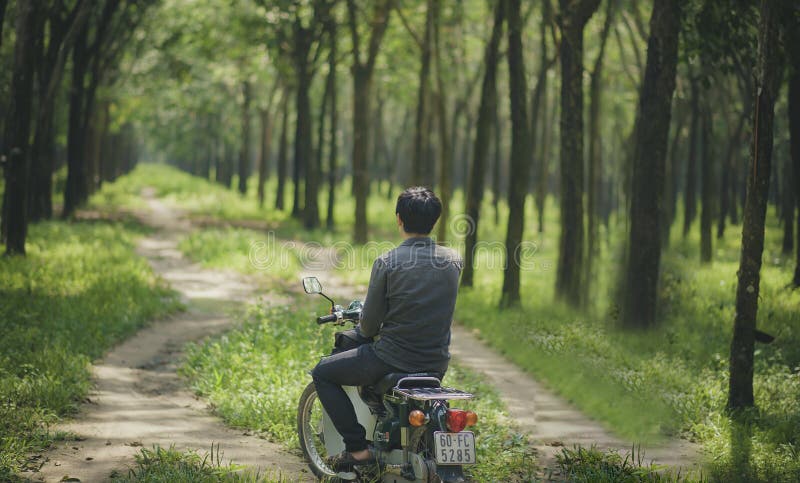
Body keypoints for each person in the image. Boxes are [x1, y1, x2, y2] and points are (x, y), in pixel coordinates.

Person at [311, 186, 463, 469]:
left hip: (391, 359)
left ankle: (357, 450)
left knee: (322, 372)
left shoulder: (388, 262)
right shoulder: (454, 261)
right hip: (436, 362)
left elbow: (368, 328)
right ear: (435, 220)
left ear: (399, 219)